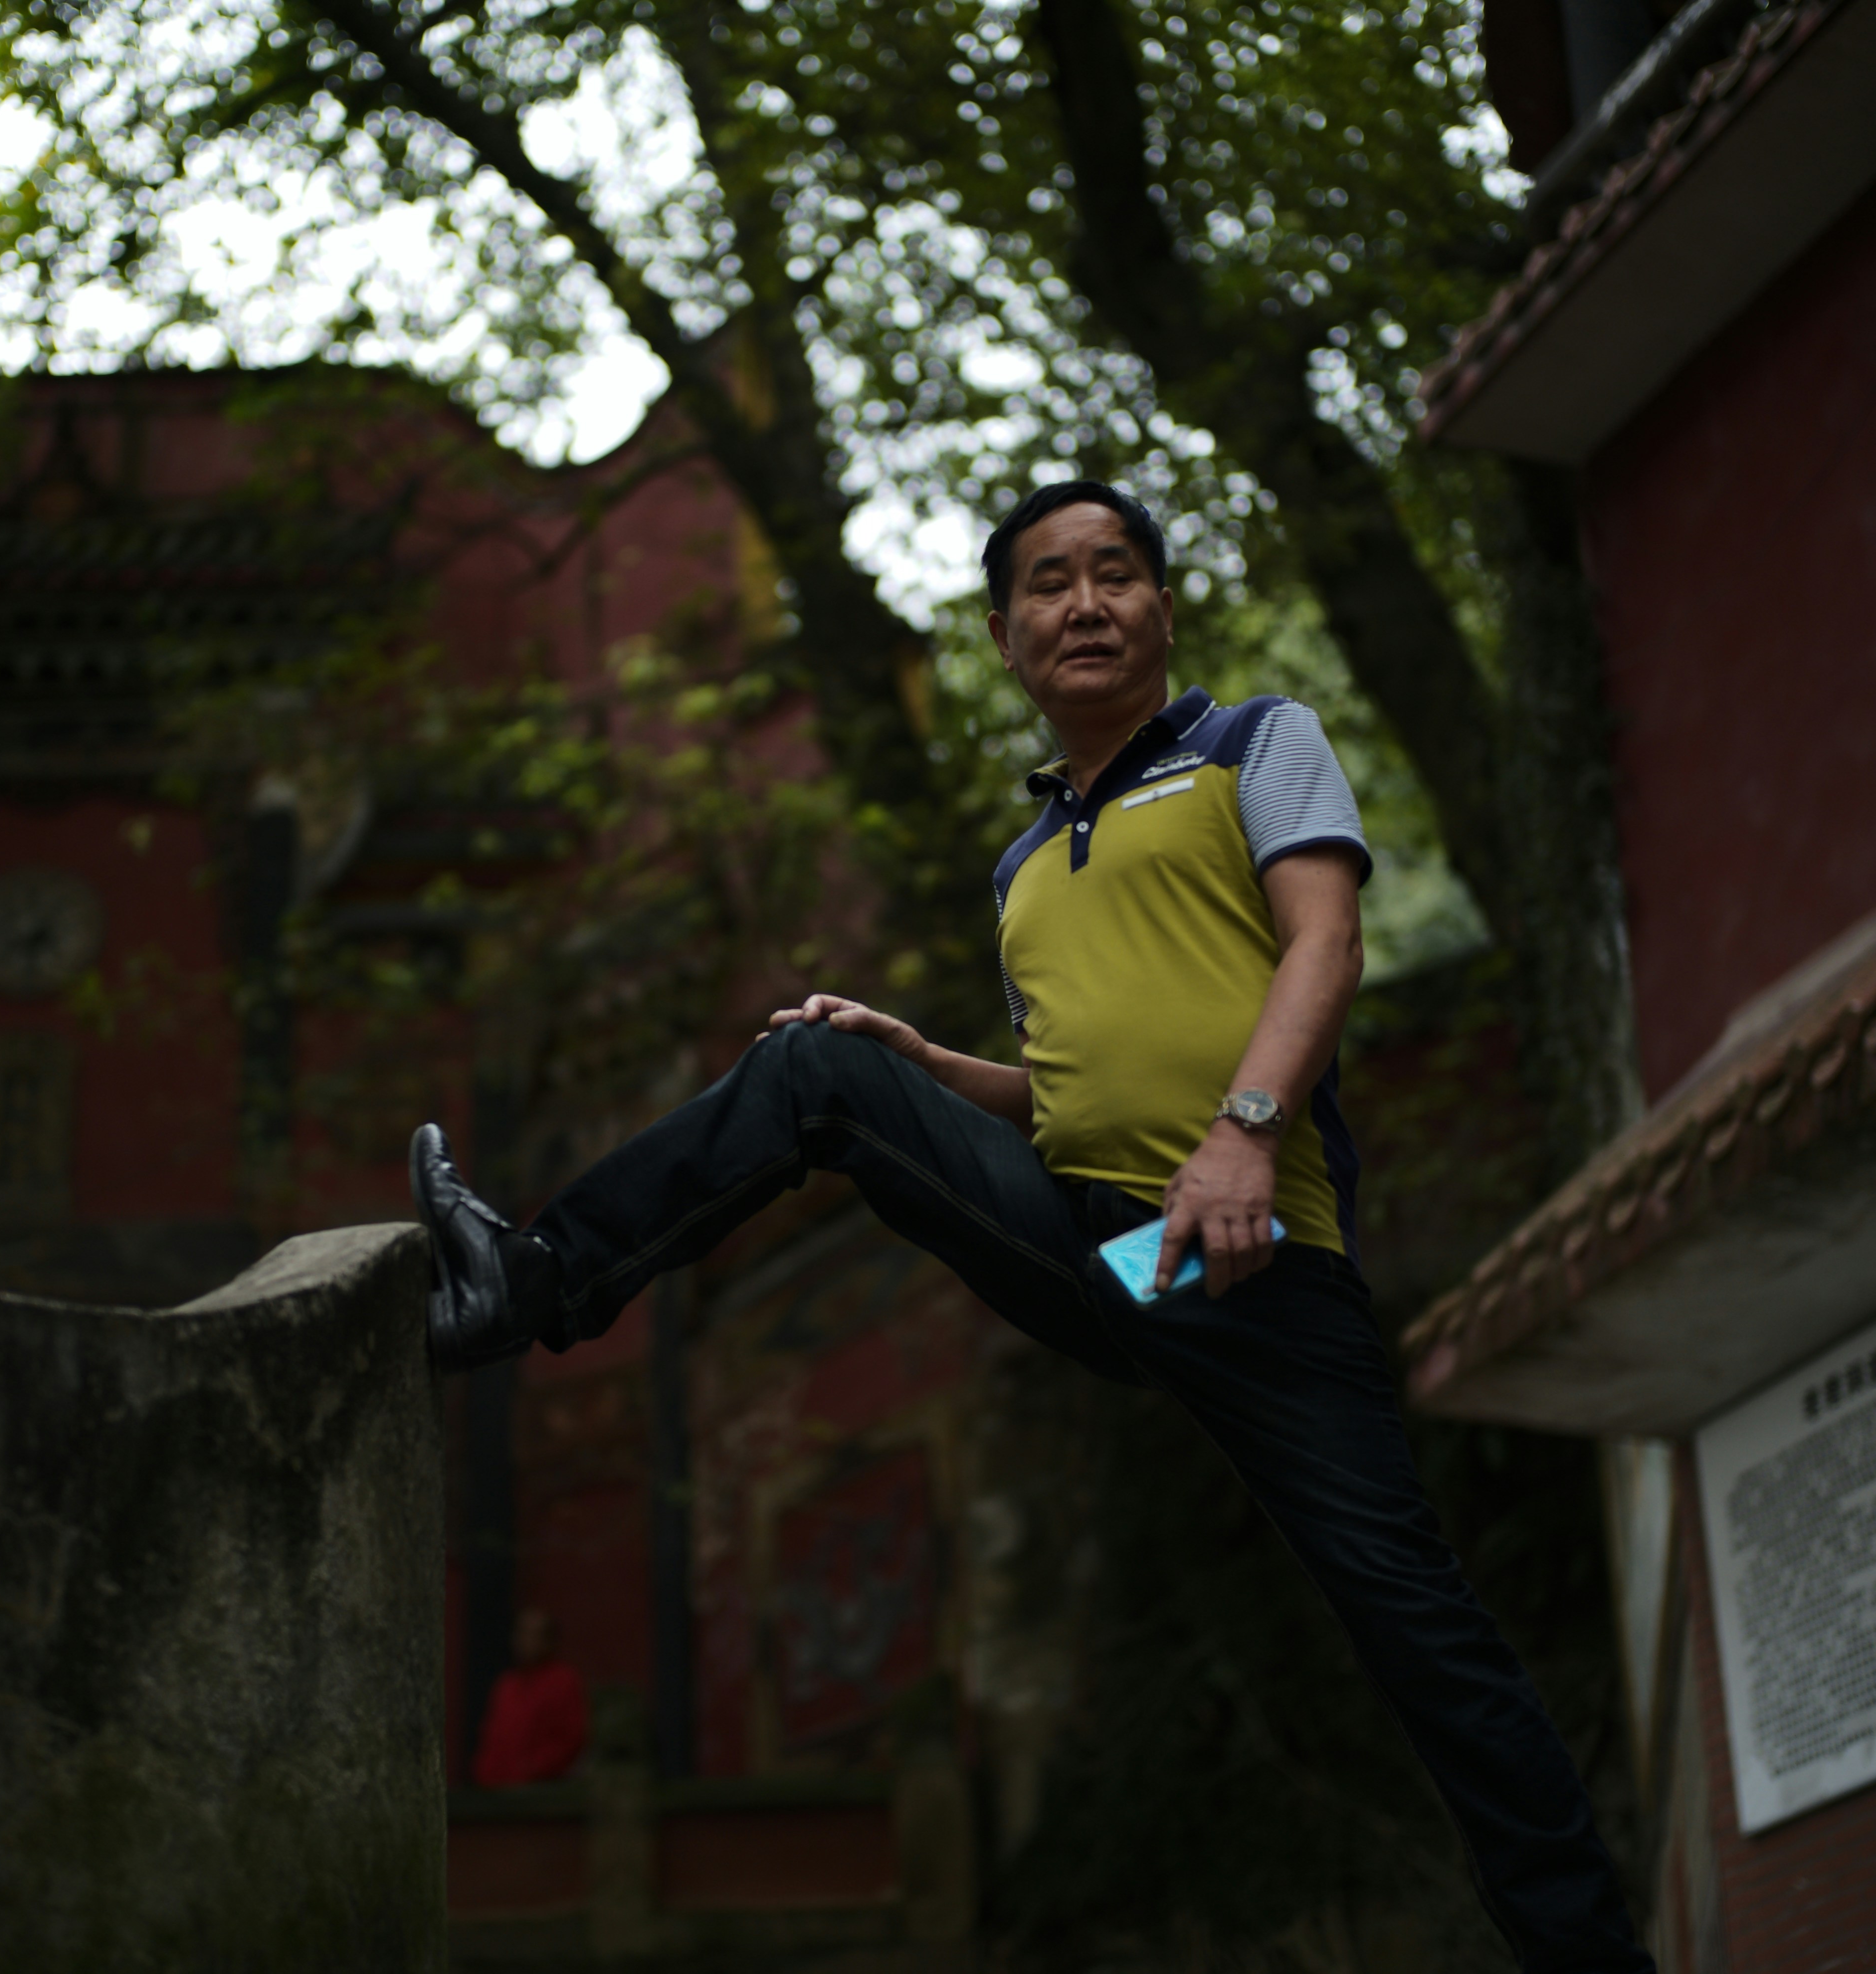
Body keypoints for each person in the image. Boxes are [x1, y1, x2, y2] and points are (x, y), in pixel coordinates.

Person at [411, 482, 1654, 1970]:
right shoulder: (1018, 873)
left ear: (1160, 607)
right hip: (1106, 1250)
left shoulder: (1251, 744)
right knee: (816, 1062)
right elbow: (1069, 1092)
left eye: (1115, 573)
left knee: (1416, 1626)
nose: (1085, 602)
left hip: (1246, 1253)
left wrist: (1242, 1137)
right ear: (1005, 636)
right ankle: (527, 1279)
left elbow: (1324, 941)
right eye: (1050, 583)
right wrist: (927, 1070)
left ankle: (1590, 1954)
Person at [470, 1606, 589, 1788]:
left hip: (543, 1792)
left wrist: (531, 1770)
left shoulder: (564, 1681)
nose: (525, 1641)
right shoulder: (507, 1685)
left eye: (534, 1634)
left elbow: (570, 1739)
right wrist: (487, 1774)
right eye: (522, 1633)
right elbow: (492, 1737)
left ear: (550, 1641)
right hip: (498, 1792)